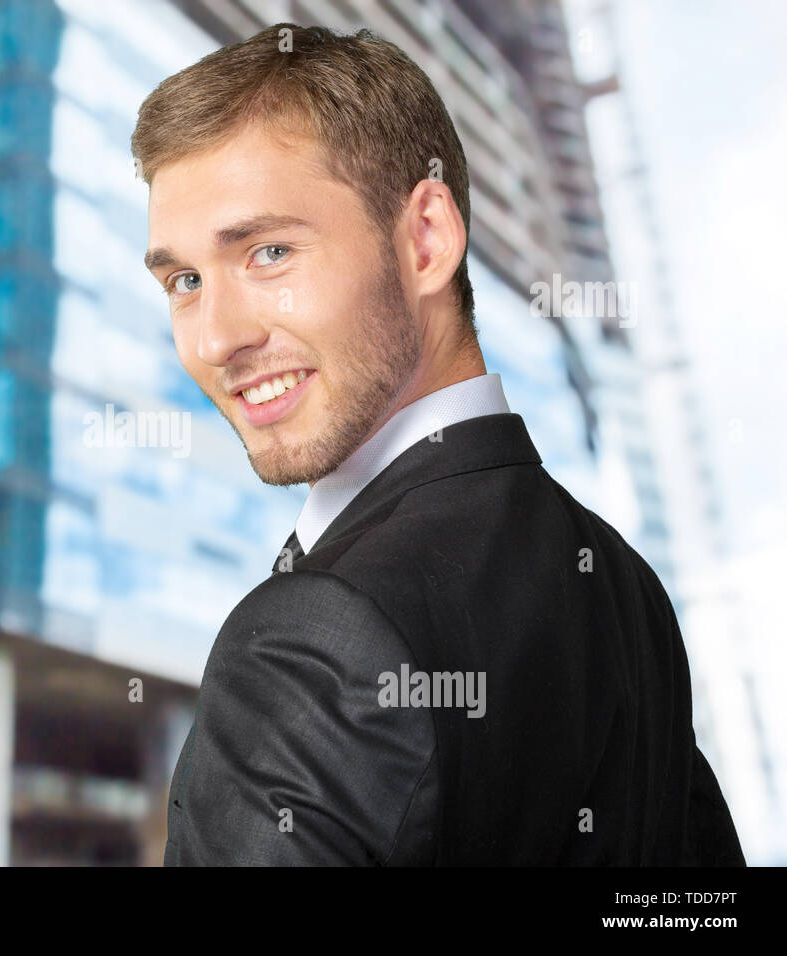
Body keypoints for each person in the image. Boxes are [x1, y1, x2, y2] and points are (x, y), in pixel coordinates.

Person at [132, 23, 744, 865]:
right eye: (185, 282)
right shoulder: (625, 587)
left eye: (269, 252)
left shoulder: (313, 637)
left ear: (425, 238)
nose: (215, 339)